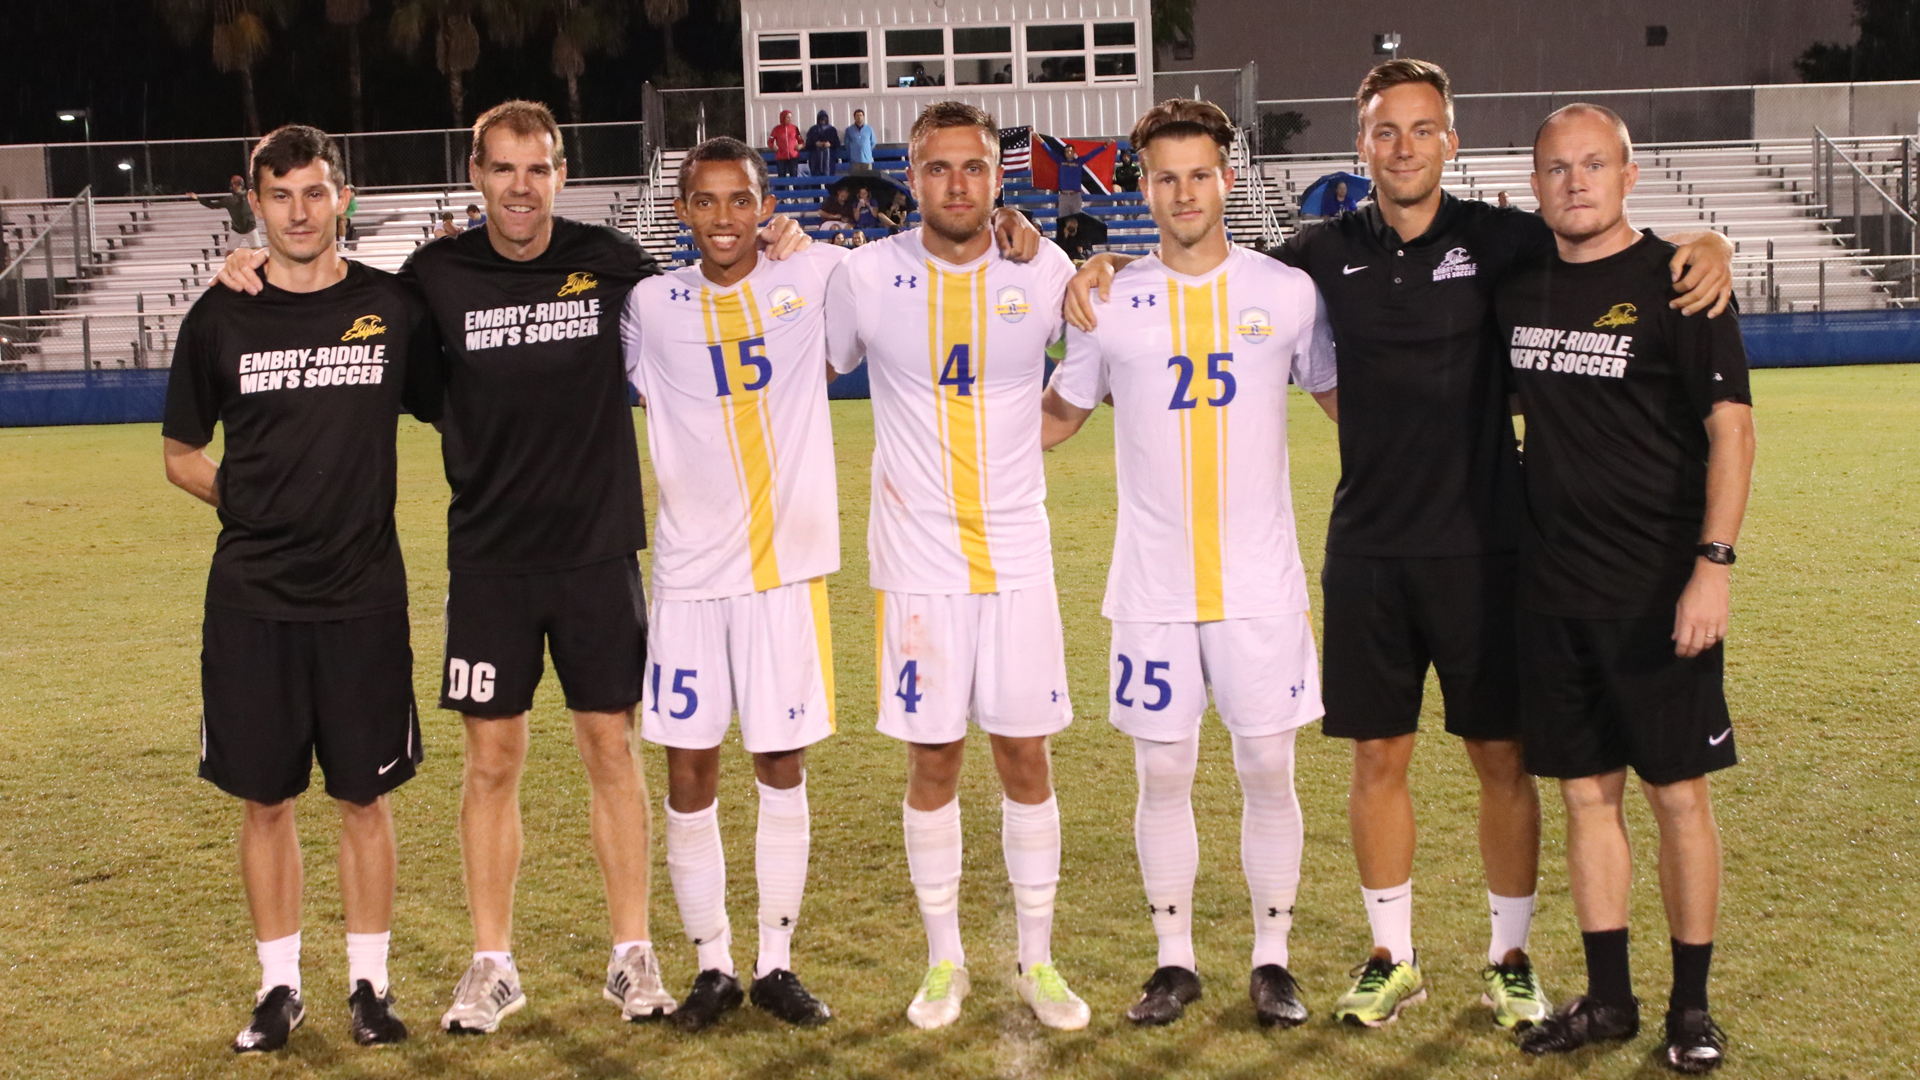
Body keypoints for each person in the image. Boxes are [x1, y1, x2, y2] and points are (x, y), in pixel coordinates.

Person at [1066, 64, 1736, 1032]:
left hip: (1490, 549)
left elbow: (1612, 241)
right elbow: (1207, 263)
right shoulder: (1318, 256)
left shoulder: (1506, 240)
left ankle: (1509, 957)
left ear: (1451, 142)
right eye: (1387, 132)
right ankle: (1393, 954)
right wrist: (1099, 270)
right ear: (1363, 143)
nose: (1406, 147)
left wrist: (1707, 242)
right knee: (1376, 757)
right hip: (1370, 551)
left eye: (1424, 130)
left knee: (1500, 759)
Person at [215, 99, 813, 1036]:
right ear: (476, 176)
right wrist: (250, 267)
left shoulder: (615, 265)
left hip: (596, 551)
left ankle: (632, 955)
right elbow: (351, 320)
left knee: (611, 750)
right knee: (491, 761)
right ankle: (492, 961)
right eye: (501, 170)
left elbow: (712, 283)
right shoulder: (433, 276)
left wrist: (779, 235)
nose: (520, 188)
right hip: (489, 559)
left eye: (537, 170)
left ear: (561, 175)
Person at [1040, 99, 1339, 1030]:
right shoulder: (1109, 299)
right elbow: (1057, 417)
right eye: (1163, 177)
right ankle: (1173, 962)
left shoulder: (1286, 291)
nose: (1183, 192)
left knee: (1265, 767)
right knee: (1162, 774)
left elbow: (1346, 405)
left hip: (1261, 585)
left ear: (1228, 179)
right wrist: (951, 458)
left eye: (1198, 174)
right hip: (1154, 589)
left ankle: (1272, 958)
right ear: (1143, 187)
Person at [163, 124, 440, 1055]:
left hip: (363, 595)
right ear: (255, 202)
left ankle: (370, 984)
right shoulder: (222, 313)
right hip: (252, 600)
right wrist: (249, 502)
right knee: (266, 800)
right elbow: (178, 454)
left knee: (365, 797)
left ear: (343, 198)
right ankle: (279, 988)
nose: (298, 212)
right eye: (280, 197)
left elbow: (468, 399)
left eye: (315, 193)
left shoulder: (391, 308)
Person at [823, 100, 1088, 1032]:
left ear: (997, 177)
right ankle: (944, 963)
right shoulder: (862, 276)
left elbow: (1086, 367)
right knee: (933, 758)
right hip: (918, 568)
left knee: (1025, 754)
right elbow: (813, 348)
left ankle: (1039, 959)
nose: (957, 184)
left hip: (1017, 558)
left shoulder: (1045, 266)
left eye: (973, 168)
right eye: (937, 169)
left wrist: (1034, 440)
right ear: (912, 176)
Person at [1501, 104, 1753, 1076]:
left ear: (1629, 175)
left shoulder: (1680, 282)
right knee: (1585, 796)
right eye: (1557, 168)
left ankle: (1691, 1010)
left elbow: (1732, 430)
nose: (1575, 181)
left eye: (1594, 164)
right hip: (1552, 594)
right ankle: (1608, 1001)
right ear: (1535, 185)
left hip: (1661, 593)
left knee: (1678, 798)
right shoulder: (1517, 285)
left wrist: (1713, 566)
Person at [622, 136, 847, 1033]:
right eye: (706, 202)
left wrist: (814, 241)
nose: (724, 218)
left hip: (784, 575)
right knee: (690, 764)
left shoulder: (812, 279)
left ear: (765, 204)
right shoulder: (650, 304)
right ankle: (712, 963)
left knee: (780, 763)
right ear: (683, 210)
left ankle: (777, 962)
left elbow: (913, 265)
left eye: (741, 200)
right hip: (687, 575)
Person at [200, 175, 262, 248]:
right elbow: (212, 205)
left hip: (249, 228)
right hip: (238, 229)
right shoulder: (235, 199)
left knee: (258, 251)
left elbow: (212, 205)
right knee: (231, 253)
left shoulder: (242, 197)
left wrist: (199, 199)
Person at [806, 110, 840, 177]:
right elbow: (808, 143)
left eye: (824, 118)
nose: (822, 121)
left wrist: (830, 144)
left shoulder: (831, 129)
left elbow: (837, 143)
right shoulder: (813, 129)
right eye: (821, 119)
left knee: (829, 178)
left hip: (829, 158)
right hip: (815, 158)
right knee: (815, 179)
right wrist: (816, 144)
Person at [770, 110, 803, 178]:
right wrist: (773, 146)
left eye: (791, 117)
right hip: (781, 156)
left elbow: (801, 141)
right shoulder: (776, 129)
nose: (790, 119)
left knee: (794, 175)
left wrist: (801, 145)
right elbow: (770, 142)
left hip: (793, 156)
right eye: (788, 117)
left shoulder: (795, 128)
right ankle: (783, 188)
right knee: (781, 176)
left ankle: (796, 188)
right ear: (783, 118)